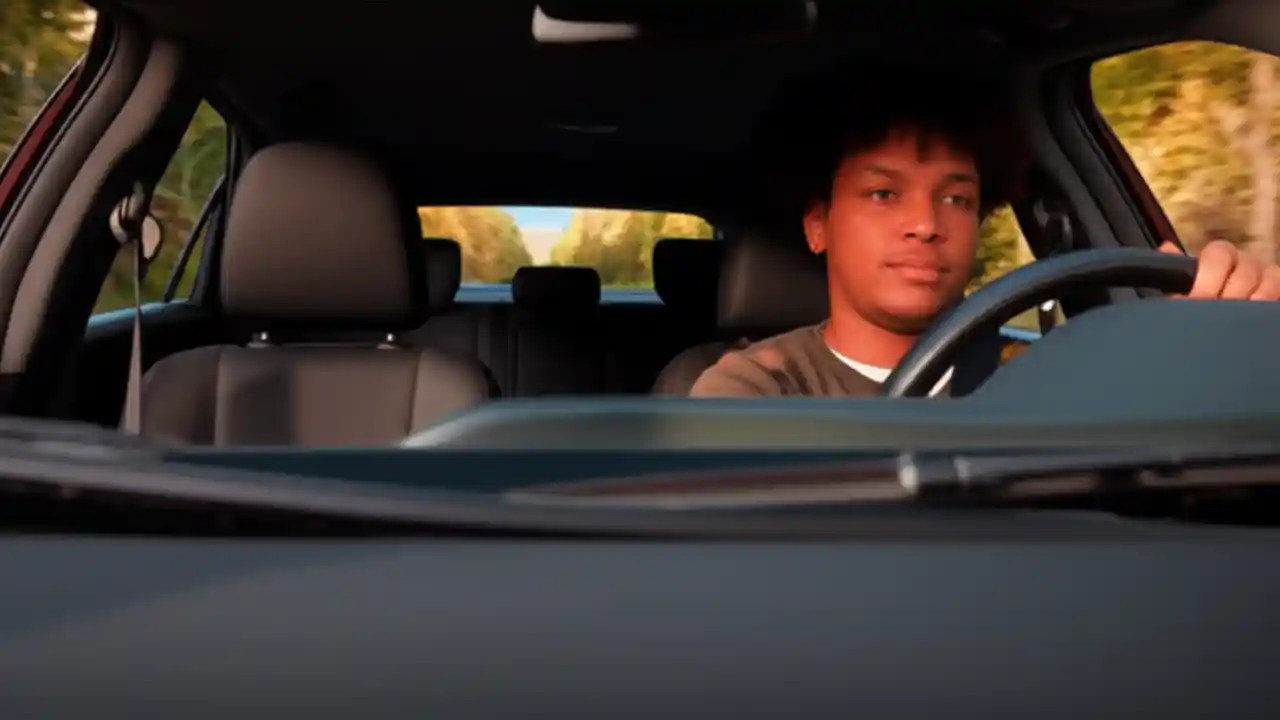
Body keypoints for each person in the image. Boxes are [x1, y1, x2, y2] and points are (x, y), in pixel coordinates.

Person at [689, 67, 1280, 398]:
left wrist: (1215, 351)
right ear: (819, 225)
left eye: (956, 198)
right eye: (884, 194)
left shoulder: (1049, 373)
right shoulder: (757, 388)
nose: (926, 225)